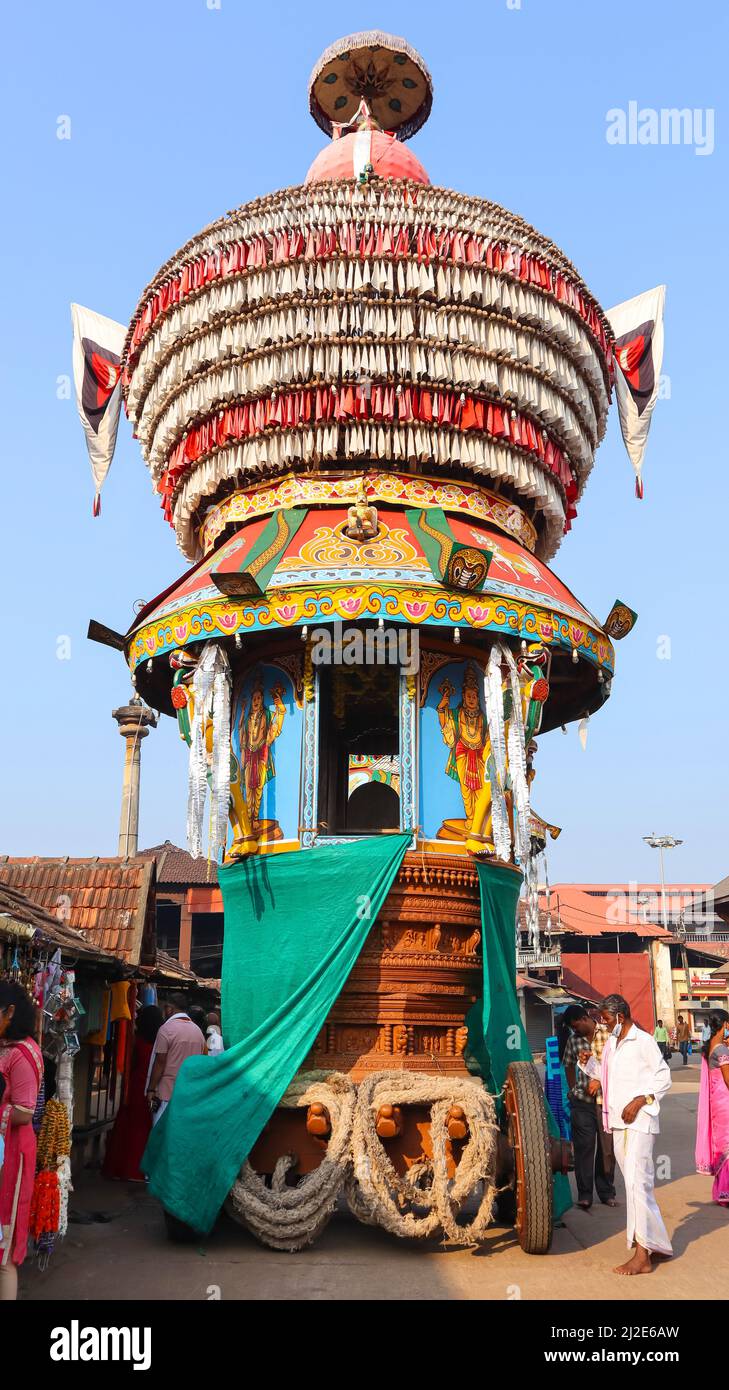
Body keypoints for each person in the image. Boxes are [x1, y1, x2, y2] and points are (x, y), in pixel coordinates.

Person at [600, 993, 672, 1276]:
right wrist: (588, 1066)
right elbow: (609, 1078)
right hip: (619, 1122)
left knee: (637, 1185)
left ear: (620, 1016)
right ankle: (658, 1244)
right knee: (635, 1185)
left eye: (606, 1020)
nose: (604, 1025)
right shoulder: (611, 1043)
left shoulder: (644, 1041)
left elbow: (663, 1076)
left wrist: (641, 1099)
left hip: (639, 1122)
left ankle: (643, 1255)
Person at [0, 981, 43, 1302]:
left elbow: (25, 1111)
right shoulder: (6, 1046)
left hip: (13, 1153)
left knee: (3, 1255)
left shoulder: (22, 1053)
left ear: (9, 1012)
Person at [561, 1006, 617, 1210]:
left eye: (576, 1026)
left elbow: (617, 1066)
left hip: (607, 1103)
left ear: (585, 1018)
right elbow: (567, 1063)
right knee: (584, 1149)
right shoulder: (573, 1041)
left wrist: (600, 1080)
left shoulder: (609, 1035)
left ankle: (606, 1192)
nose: (575, 1031)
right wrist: (572, 1088)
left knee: (607, 1150)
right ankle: (585, 1194)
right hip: (582, 1102)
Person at [103, 1005, 163, 1181]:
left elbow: (129, 1064)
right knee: (145, 1127)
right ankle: (141, 1170)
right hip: (152, 1086)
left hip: (136, 1085)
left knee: (131, 1125)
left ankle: (126, 1169)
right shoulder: (160, 1040)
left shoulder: (137, 1041)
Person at [146, 994, 204, 1125]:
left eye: (165, 1007)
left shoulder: (166, 1029)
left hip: (166, 1094)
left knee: (161, 1134)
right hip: (188, 1093)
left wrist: (151, 1089)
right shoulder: (198, 1032)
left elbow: (160, 1062)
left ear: (170, 1009)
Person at [695, 1008, 729, 1206]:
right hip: (725, 1102)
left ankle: (721, 1191)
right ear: (725, 1025)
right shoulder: (722, 1050)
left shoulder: (711, 1048)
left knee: (722, 1146)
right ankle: (726, 1192)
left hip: (717, 1103)